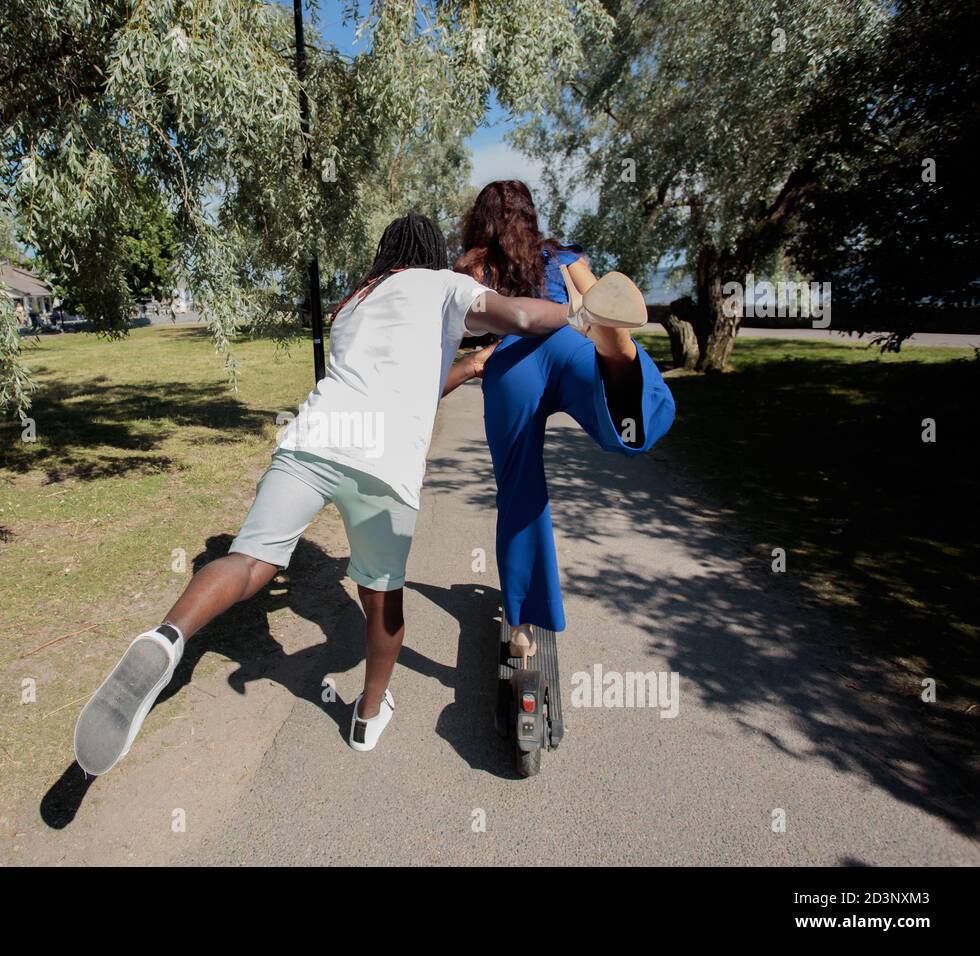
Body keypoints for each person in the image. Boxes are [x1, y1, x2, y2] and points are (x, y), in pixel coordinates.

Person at [74, 213, 581, 774]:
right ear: (432, 251)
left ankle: (168, 637)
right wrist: (582, 312)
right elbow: (519, 315)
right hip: (385, 464)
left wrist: (466, 365)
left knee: (249, 561)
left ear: (387, 250)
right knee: (380, 596)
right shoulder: (445, 285)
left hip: (317, 437)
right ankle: (366, 716)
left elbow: (413, 380)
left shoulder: (354, 302)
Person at [446, 180, 676, 656]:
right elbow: (592, 295)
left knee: (520, 486)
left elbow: (468, 321)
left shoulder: (474, 265)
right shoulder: (562, 255)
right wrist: (592, 319)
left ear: (480, 218)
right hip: (572, 340)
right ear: (531, 216)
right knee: (609, 390)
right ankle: (618, 354)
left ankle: (523, 626)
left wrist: (477, 353)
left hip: (512, 363)